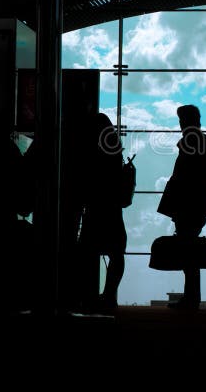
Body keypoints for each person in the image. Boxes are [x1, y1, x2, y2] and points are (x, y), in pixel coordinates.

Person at [157, 105, 206, 310]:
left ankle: (191, 298)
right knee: (189, 248)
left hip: (188, 204)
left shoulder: (190, 143)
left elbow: (183, 177)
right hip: (197, 204)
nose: (180, 124)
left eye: (181, 119)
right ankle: (191, 296)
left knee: (187, 249)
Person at [79, 113, 129, 313]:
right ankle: (109, 295)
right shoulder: (114, 149)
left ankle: (89, 296)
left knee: (88, 251)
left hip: (95, 206)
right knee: (117, 252)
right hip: (112, 207)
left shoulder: (91, 151)